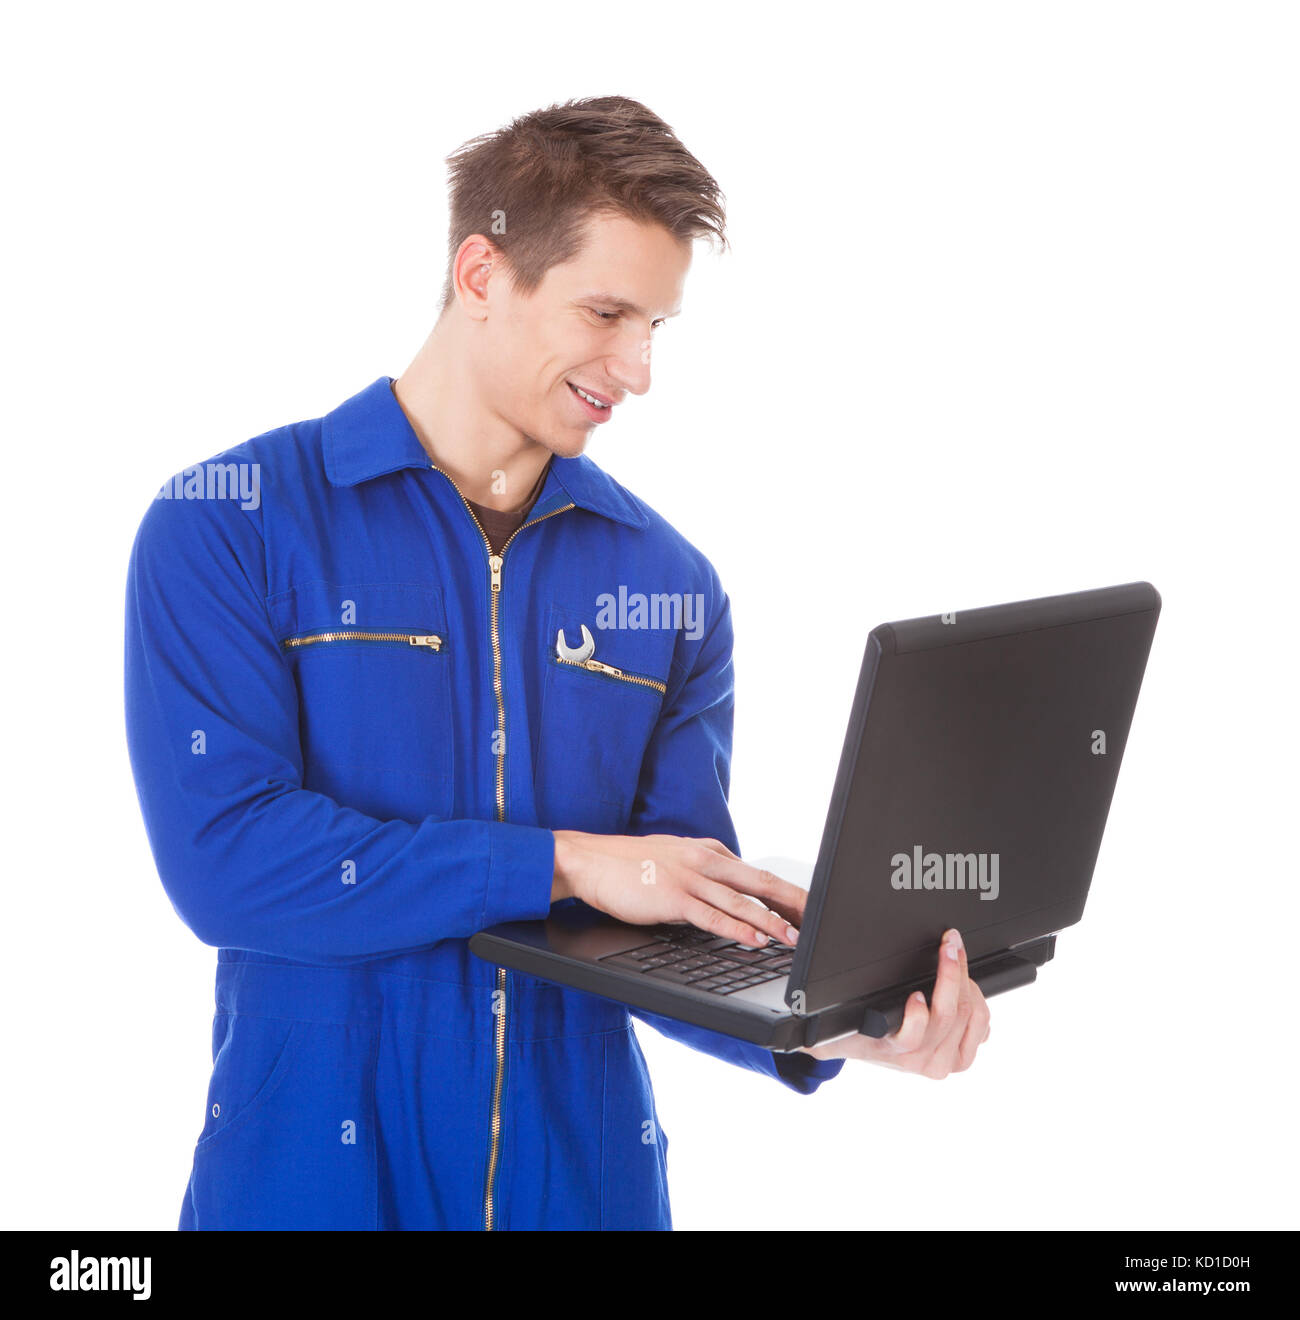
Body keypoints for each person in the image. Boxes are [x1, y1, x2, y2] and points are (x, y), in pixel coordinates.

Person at [124, 94, 990, 1232]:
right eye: (607, 312)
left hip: (585, 1194)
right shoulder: (232, 526)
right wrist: (567, 863)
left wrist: (828, 1017)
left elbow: (662, 922)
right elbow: (229, 864)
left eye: (657, 327)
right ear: (482, 274)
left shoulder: (669, 584)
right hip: (310, 1189)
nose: (636, 370)